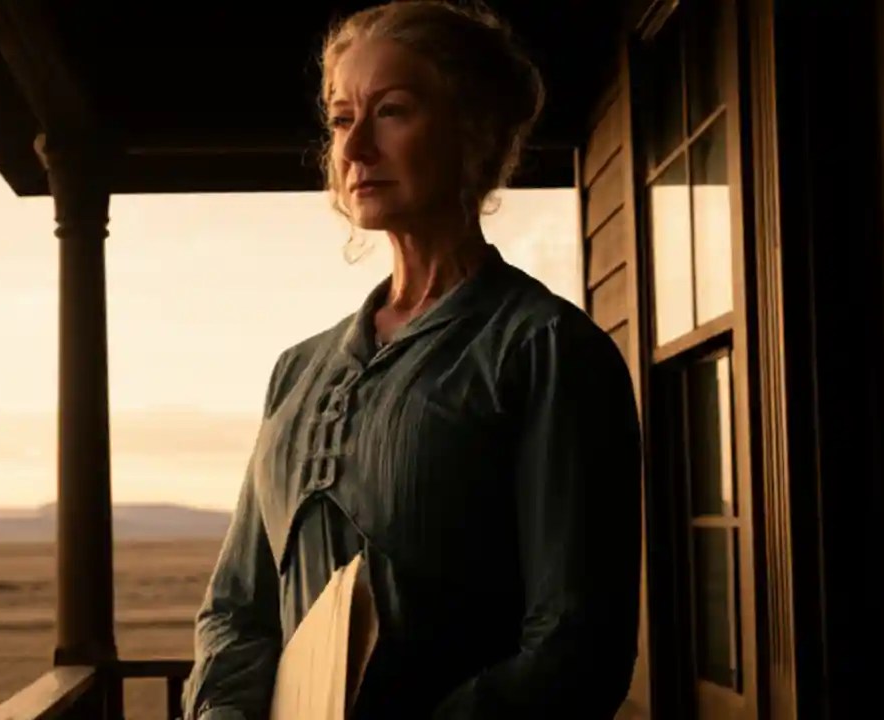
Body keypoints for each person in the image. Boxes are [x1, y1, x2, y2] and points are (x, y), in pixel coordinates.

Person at [181, 2, 643, 718]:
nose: (355, 147)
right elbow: (238, 609)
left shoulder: (542, 348)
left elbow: (577, 647)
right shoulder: (297, 371)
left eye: (390, 111)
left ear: (475, 130)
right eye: (340, 119)